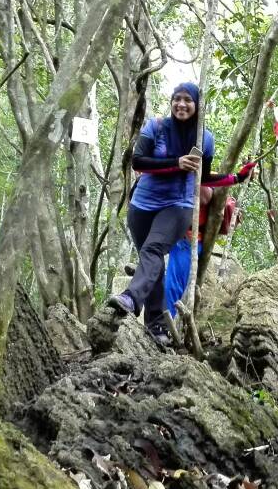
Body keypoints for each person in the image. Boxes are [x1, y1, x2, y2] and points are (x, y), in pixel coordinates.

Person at [107, 82, 255, 345]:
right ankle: (158, 328)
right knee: (152, 265)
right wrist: (176, 163)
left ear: (197, 105)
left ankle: (131, 298)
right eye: (177, 99)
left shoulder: (204, 139)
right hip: (143, 205)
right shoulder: (156, 127)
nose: (181, 104)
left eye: (188, 100)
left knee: (153, 251)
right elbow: (138, 161)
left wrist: (236, 177)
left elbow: (204, 178)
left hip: (179, 205)